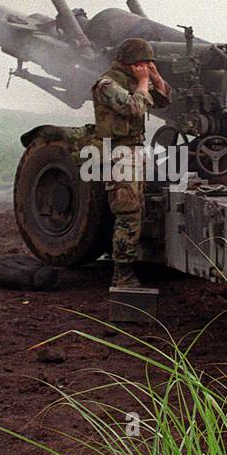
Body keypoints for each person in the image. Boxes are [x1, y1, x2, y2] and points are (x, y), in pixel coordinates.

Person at [91, 37, 171, 288]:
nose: (147, 68)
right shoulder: (107, 84)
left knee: (139, 210)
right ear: (131, 63)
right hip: (117, 152)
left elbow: (164, 101)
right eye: (144, 63)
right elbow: (134, 108)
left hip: (133, 151)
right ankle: (122, 274)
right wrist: (145, 82)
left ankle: (131, 264)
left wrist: (156, 80)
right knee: (128, 212)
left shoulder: (134, 82)